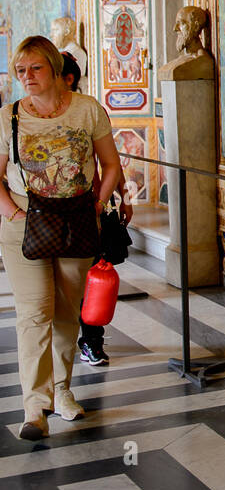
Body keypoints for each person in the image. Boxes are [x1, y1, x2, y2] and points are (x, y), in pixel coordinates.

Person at [0, 36, 122, 440]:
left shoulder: (87, 111)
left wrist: (96, 205)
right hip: (24, 221)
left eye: (35, 68)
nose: (27, 77)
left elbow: (110, 165)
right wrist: (15, 213)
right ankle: (35, 407)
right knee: (34, 312)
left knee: (69, 309)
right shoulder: (9, 117)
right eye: (20, 71)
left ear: (55, 70)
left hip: (76, 220)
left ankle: (63, 390)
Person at [59, 53, 133, 367]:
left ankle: (92, 342)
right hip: (49, 214)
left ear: (68, 79)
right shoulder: (34, 114)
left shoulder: (89, 111)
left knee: (92, 277)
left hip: (90, 208)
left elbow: (109, 162)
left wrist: (124, 197)